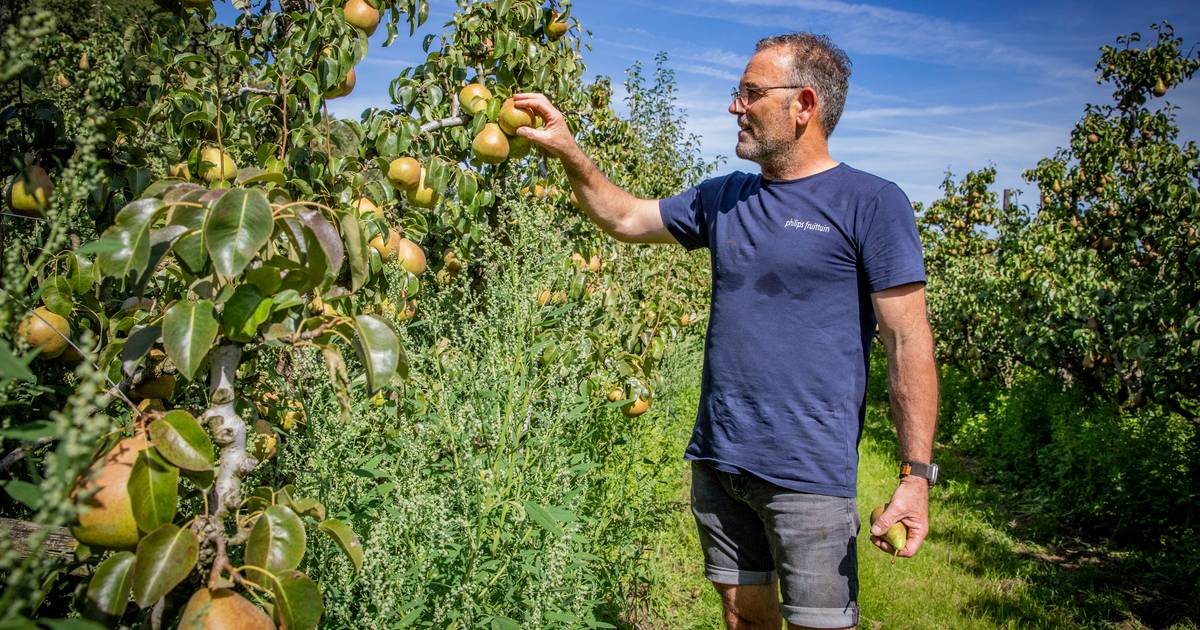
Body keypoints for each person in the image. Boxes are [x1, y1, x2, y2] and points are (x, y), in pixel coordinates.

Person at [513, 32, 938, 630]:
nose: (734, 107)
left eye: (750, 93)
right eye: (736, 92)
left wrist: (915, 476)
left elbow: (908, 343)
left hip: (808, 473)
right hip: (720, 459)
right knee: (741, 617)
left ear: (804, 106)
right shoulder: (726, 197)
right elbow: (626, 217)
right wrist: (568, 149)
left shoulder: (870, 202)